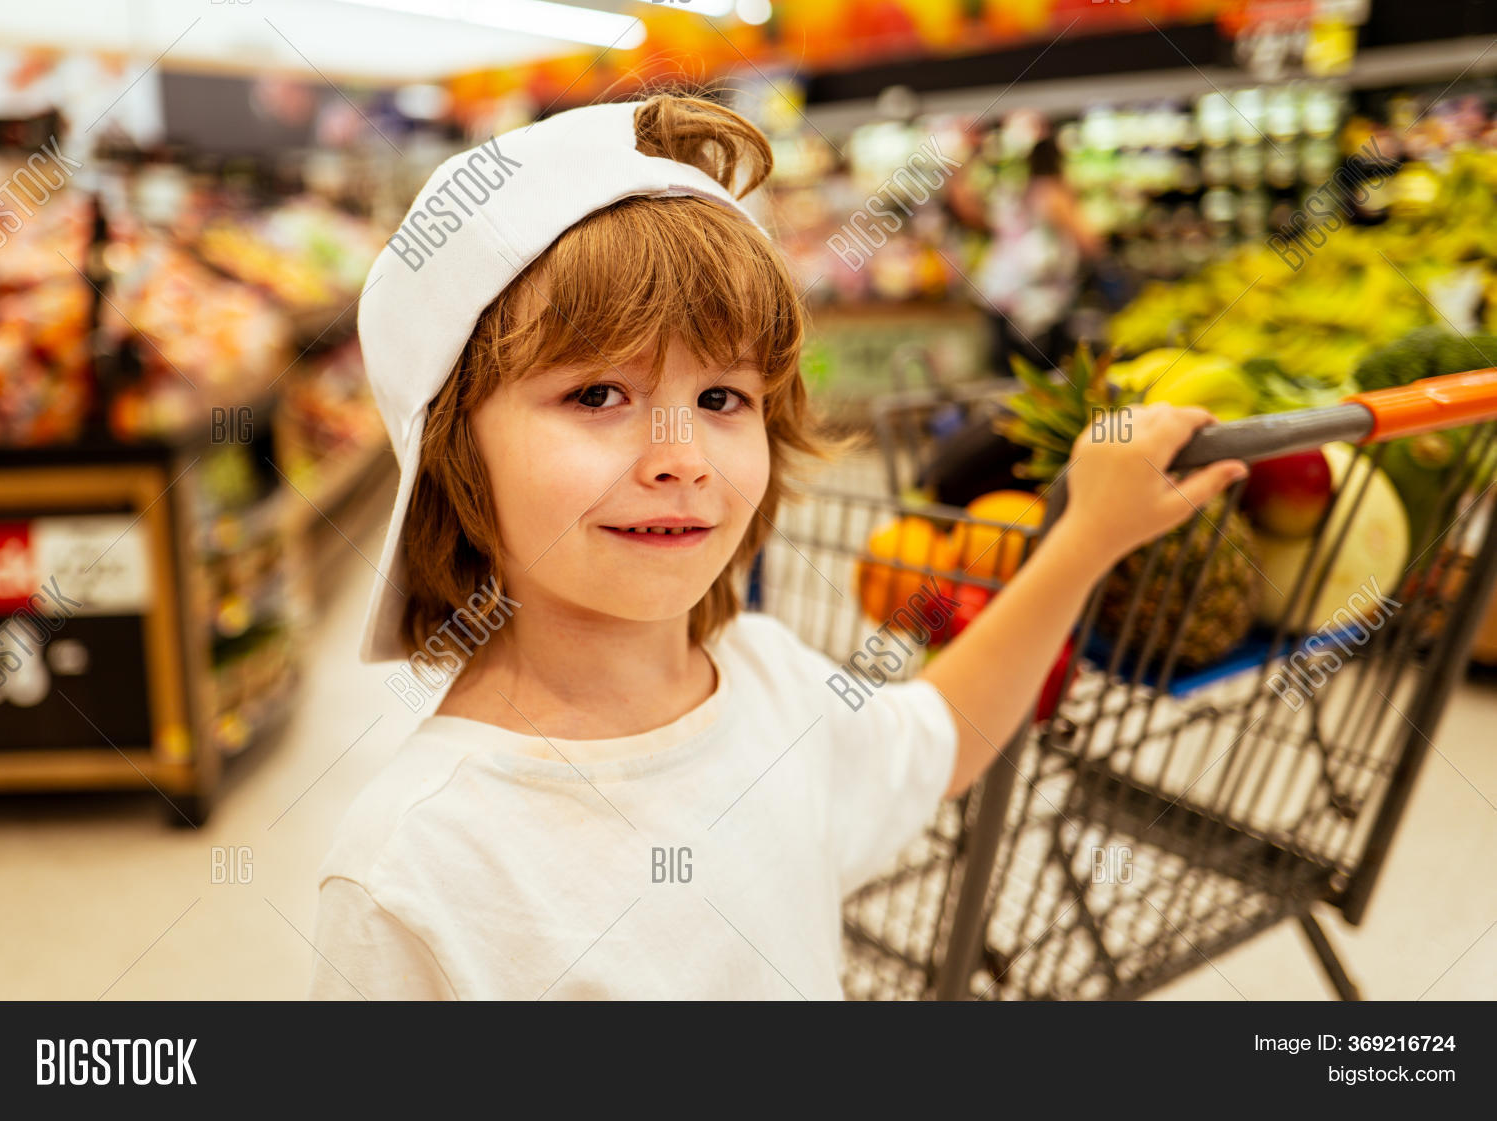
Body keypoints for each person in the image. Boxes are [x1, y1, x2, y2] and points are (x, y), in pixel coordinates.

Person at [307, 93, 1246, 1000]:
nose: (680, 459)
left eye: (722, 398)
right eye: (597, 395)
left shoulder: (770, 684)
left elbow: (943, 736)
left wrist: (1083, 539)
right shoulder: (413, 871)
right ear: (453, 450)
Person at [975, 132, 1105, 375]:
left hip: (1002, 299)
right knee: (1043, 378)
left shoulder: (1020, 193)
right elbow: (1091, 243)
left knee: (1013, 377)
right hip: (1036, 309)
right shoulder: (1054, 194)